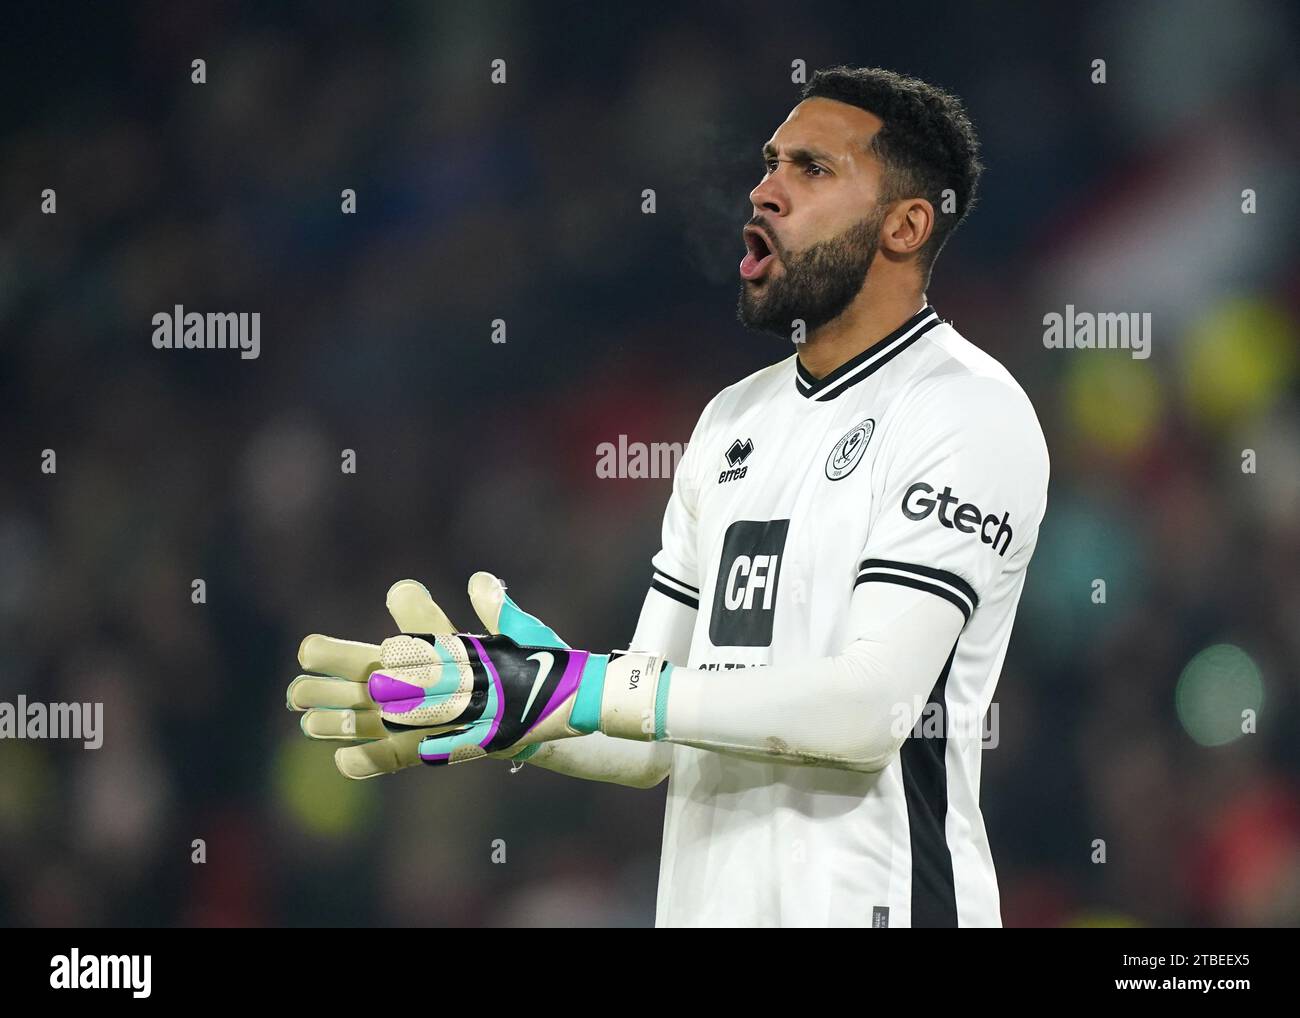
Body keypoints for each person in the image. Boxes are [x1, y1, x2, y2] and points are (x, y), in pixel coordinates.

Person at [288, 66, 1049, 928]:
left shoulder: (966, 407)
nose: (765, 188)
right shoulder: (732, 423)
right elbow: (647, 737)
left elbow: (871, 710)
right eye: (768, 163)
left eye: (812, 169)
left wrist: (584, 686)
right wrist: (508, 702)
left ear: (906, 225)